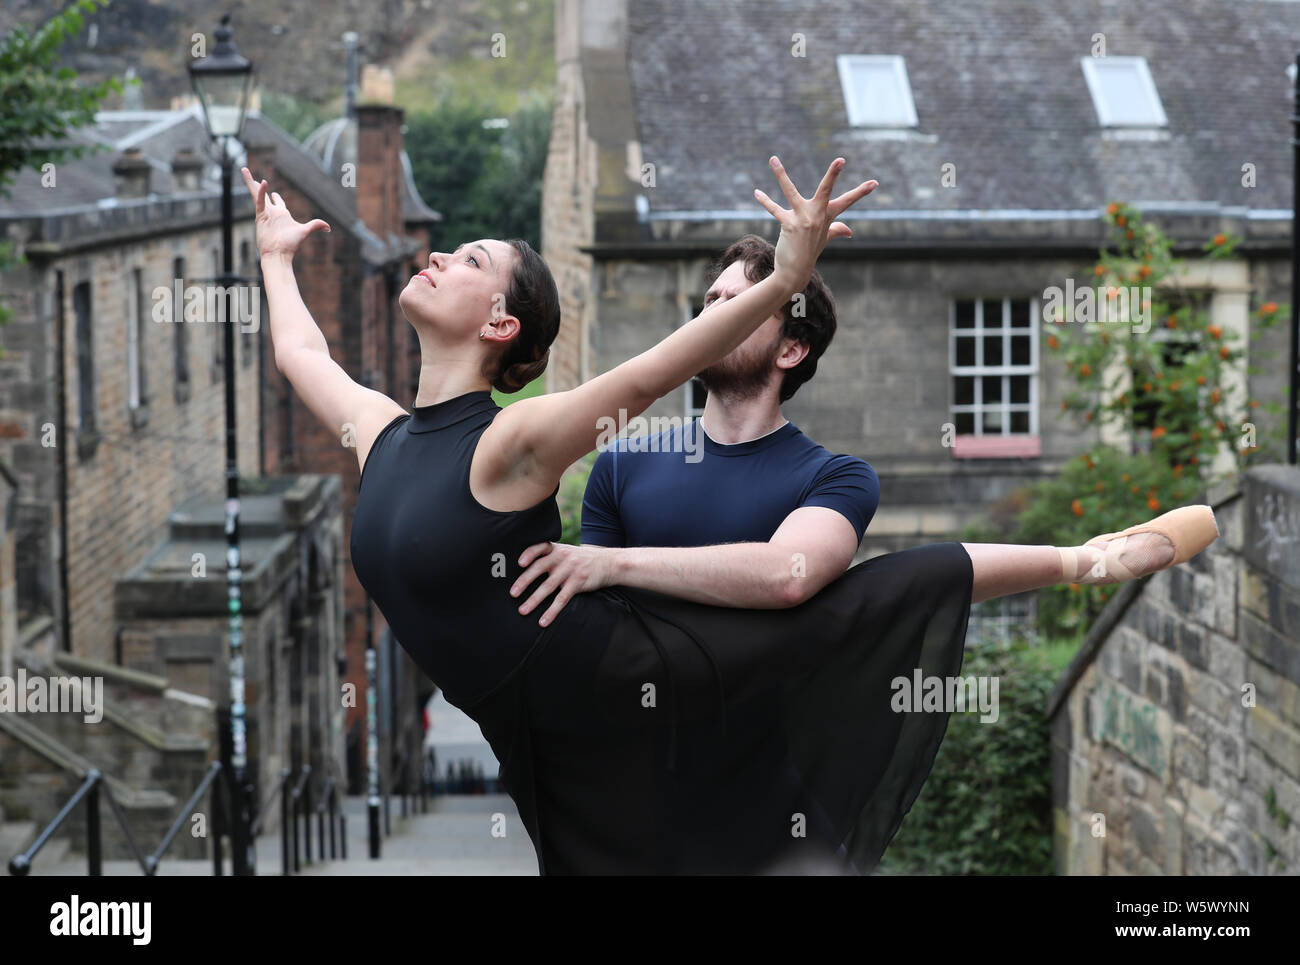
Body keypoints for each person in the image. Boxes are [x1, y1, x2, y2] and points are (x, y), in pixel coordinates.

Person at [242, 156, 1219, 875]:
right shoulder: (383, 435)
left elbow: (649, 370)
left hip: (617, 678)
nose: (441, 252)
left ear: (503, 324)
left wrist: (788, 278)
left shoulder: (514, 442)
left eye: (471, 256)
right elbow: (302, 359)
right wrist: (276, 257)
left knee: (858, 596)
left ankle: (1086, 558)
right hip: (551, 734)